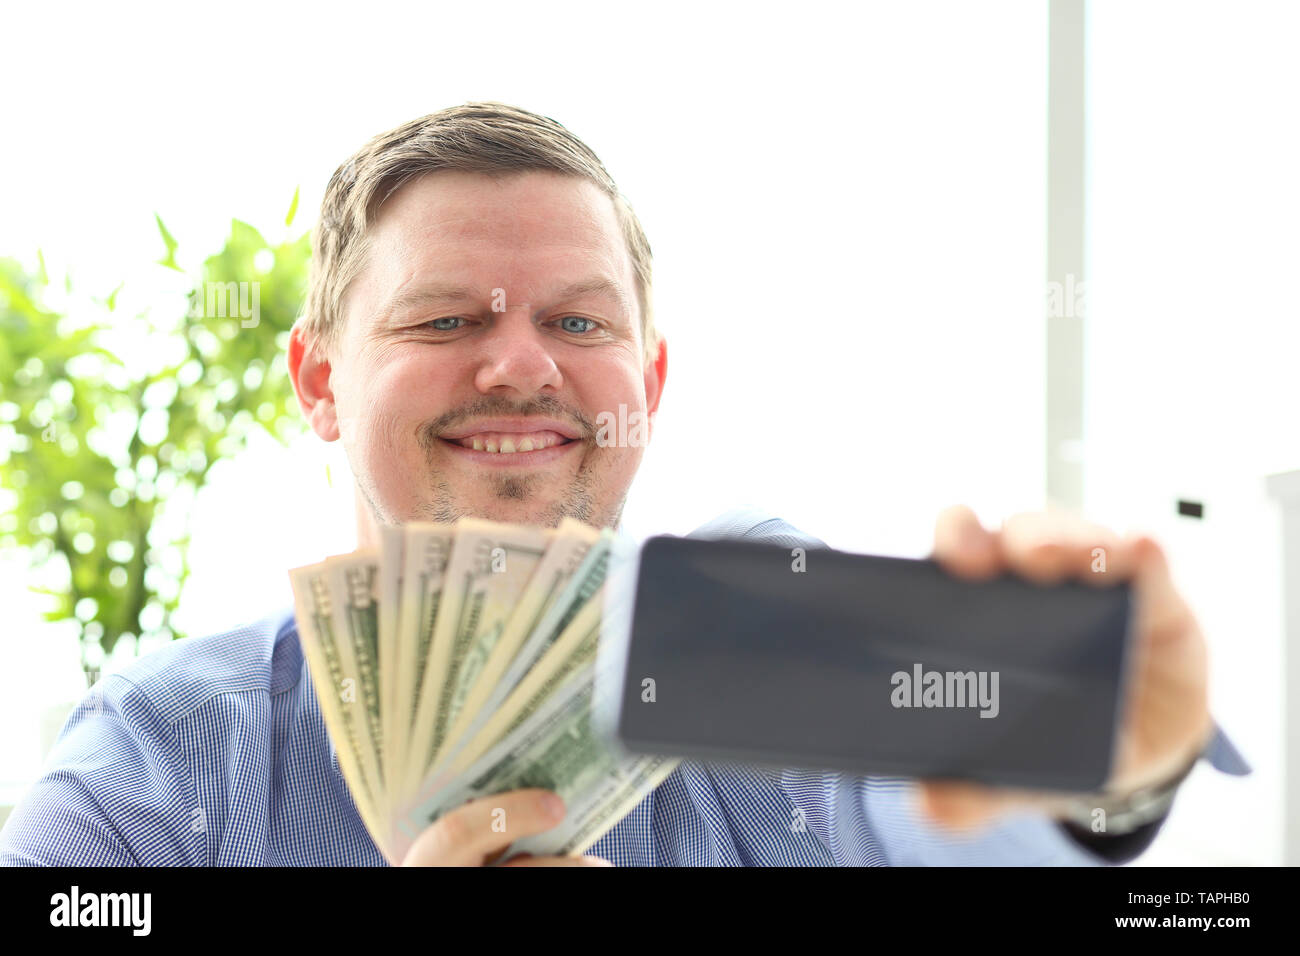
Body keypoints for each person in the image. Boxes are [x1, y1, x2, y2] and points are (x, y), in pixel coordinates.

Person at [0, 103, 1248, 867]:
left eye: (580, 324)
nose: (522, 364)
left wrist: (1102, 753)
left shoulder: (770, 637)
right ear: (319, 382)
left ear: (648, 376)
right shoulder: (163, 763)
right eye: (442, 320)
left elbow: (965, 809)